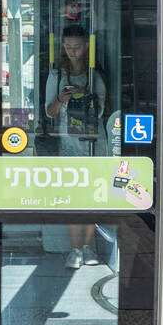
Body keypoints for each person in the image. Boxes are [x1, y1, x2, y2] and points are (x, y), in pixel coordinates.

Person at [43, 24, 109, 269]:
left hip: (93, 142)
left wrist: (85, 94)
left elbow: (101, 111)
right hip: (68, 142)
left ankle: (88, 246)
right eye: (68, 47)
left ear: (87, 47)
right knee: (71, 196)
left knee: (91, 197)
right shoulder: (57, 76)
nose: (72, 52)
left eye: (77, 47)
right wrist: (62, 98)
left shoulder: (96, 75)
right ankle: (75, 249)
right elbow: (48, 112)